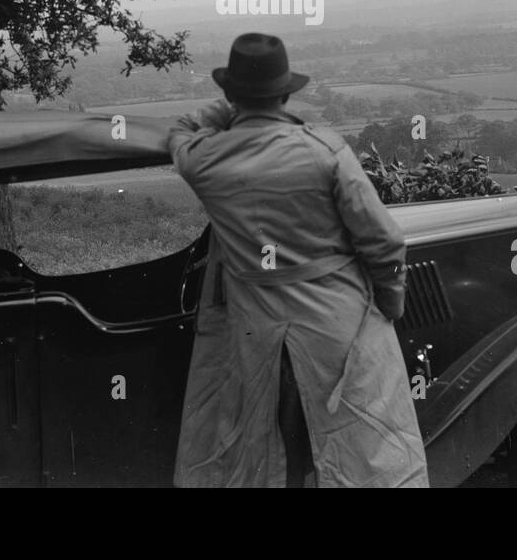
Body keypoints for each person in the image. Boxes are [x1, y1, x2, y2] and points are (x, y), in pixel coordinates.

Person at [168, 32, 428, 488]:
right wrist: (391, 304)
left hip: (256, 337)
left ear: (230, 94)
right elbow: (384, 243)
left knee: (269, 457)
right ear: (286, 93)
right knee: (366, 457)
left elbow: (182, 129)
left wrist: (229, 108)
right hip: (338, 331)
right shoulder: (325, 151)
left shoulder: (201, 159)